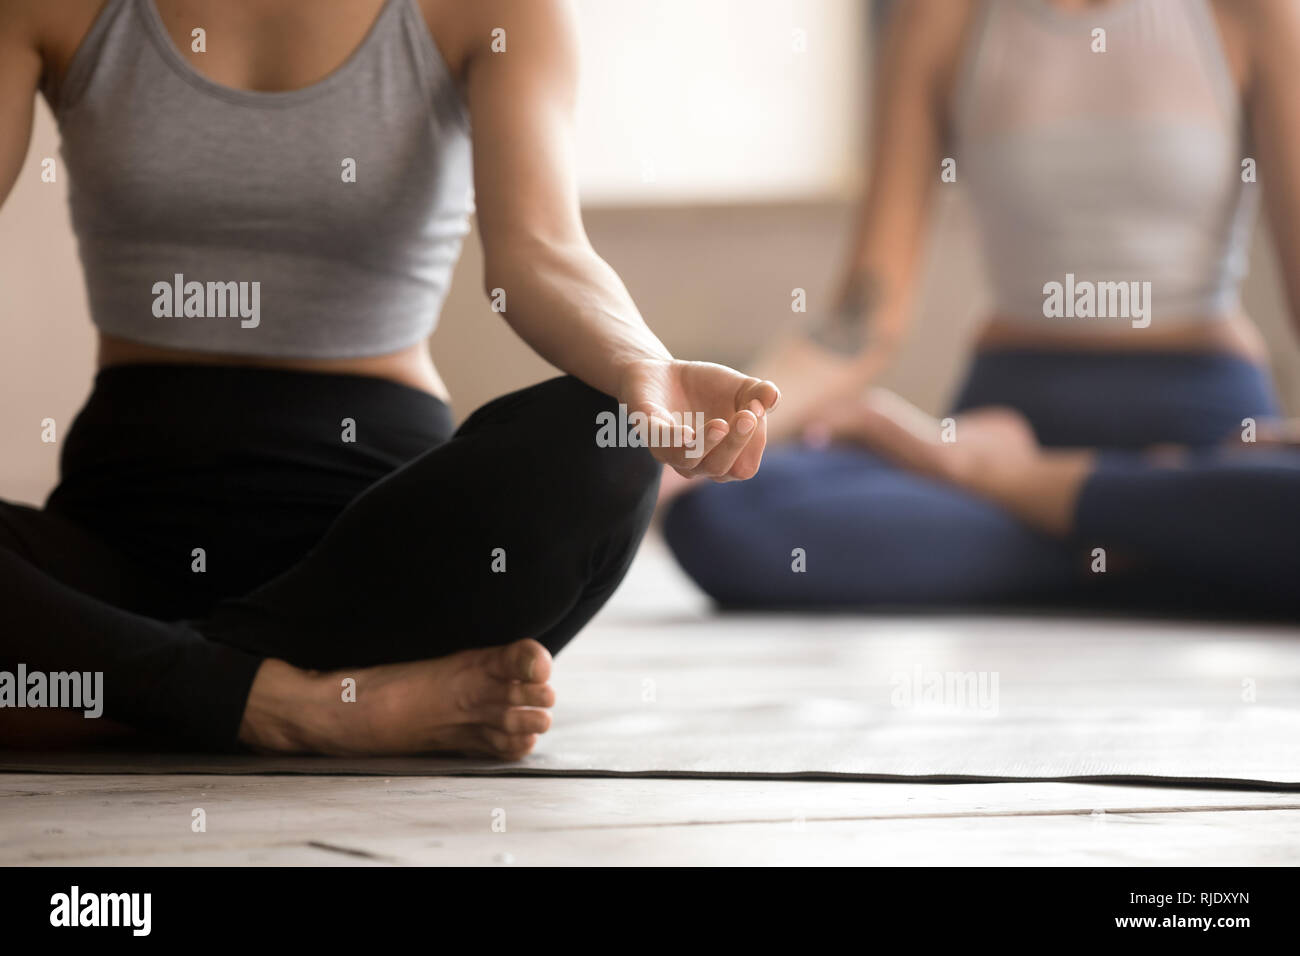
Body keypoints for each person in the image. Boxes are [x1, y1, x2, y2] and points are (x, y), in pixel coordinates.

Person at [0, 0, 779, 755]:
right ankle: (305, 707)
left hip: (381, 559)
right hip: (119, 545)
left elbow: (542, 250)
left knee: (606, 437)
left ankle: (112, 689)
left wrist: (645, 367)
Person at [663, 0, 1300, 618]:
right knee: (730, 517)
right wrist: (721, 429)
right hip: (1003, 425)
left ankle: (1085, 518)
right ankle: (1178, 545)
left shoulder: (1255, 10)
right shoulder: (942, 16)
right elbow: (859, 324)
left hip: (1203, 437)